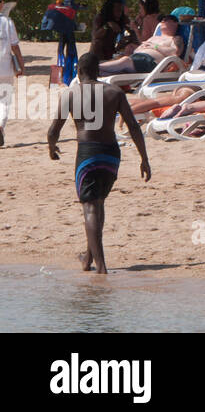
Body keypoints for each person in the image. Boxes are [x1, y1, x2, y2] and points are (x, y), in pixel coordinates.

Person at [47, 53, 151, 274]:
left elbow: (53, 130)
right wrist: (144, 159)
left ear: (78, 72)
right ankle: (87, 259)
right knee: (98, 203)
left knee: (90, 207)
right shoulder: (114, 92)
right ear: (99, 71)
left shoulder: (71, 94)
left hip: (88, 154)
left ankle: (101, 267)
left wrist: (52, 148)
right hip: (111, 155)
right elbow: (133, 126)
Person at [97, 14, 185, 75]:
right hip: (137, 59)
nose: (162, 21)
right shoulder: (153, 38)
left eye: (166, 20)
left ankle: (93, 67)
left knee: (125, 61)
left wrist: (155, 46)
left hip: (151, 63)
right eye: (161, 20)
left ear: (175, 23)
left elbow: (176, 52)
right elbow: (137, 50)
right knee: (107, 72)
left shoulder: (175, 38)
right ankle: (96, 70)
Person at [0, 0, 25, 147]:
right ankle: (1, 126)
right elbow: (15, 47)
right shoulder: (7, 22)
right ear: (1, 4)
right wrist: (21, 66)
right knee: (4, 101)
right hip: (5, 68)